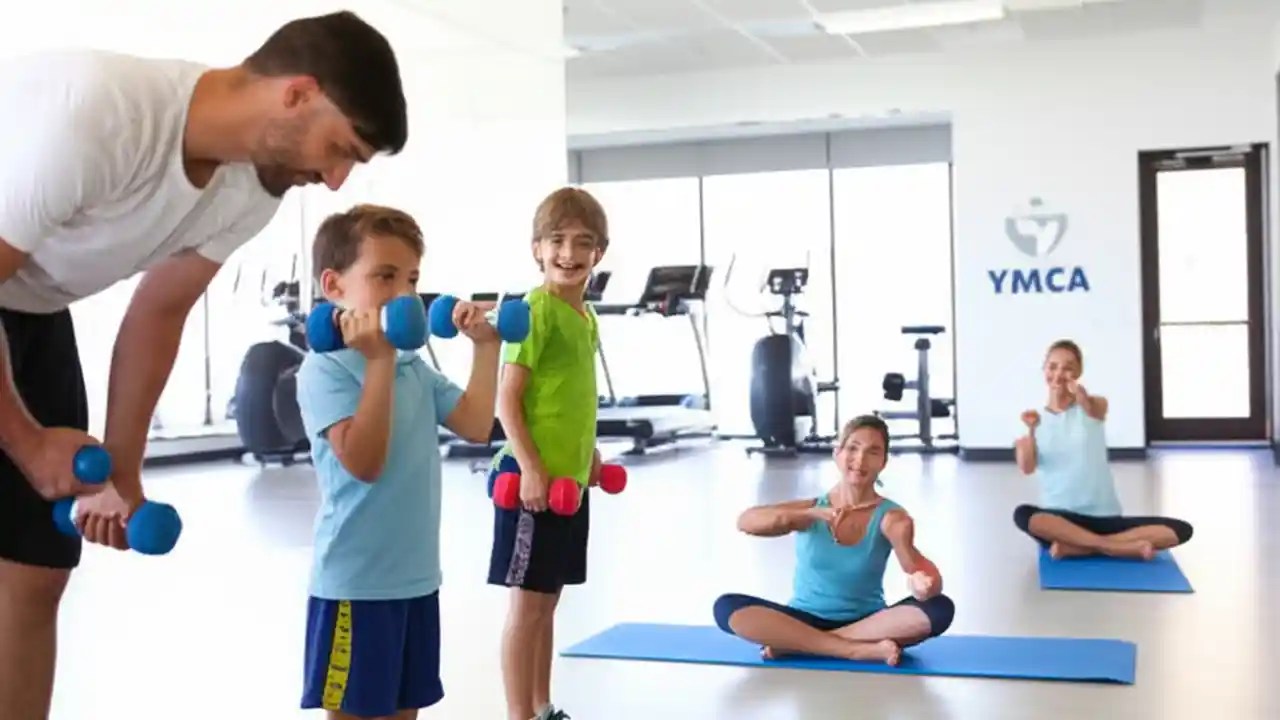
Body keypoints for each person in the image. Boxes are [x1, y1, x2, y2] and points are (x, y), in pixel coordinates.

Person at [0, 11, 407, 718]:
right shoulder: (101, 112)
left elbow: (159, 313)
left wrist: (122, 472)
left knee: (38, 573)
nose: (336, 180)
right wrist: (30, 444)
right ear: (297, 94)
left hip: (30, 306)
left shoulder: (252, 192)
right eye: (340, 149)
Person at [295, 204, 501, 720]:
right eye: (384, 277)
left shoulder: (413, 367)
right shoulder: (324, 371)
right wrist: (379, 360)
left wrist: (487, 347)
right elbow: (364, 462)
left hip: (415, 581)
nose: (404, 293)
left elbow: (477, 425)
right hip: (356, 586)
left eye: (411, 279)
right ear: (334, 286)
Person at [486, 187, 610, 720]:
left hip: (569, 483)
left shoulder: (585, 317)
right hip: (531, 483)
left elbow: (573, 399)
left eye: (583, 243)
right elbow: (507, 399)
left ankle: (542, 706)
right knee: (526, 605)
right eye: (557, 241)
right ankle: (519, 714)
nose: (569, 253)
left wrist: (591, 455)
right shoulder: (531, 311)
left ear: (598, 253)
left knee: (549, 600)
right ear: (537, 248)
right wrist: (532, 469)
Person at [713, 415, 955, 666]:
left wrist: (925, 585)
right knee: (726, 607)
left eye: (873, 452)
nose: (860, 460)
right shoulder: (810, 509)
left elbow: (920, 572)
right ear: (837, 454)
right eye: (852, 448)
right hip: (800, 619)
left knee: (940, 608)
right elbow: (746, 521)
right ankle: (852, 650)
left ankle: (800, 645)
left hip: (868, 623)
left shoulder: (892, 518)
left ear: (883, 461)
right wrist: (805, 515)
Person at [1014, 339, 1194, 560]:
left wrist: (1081, 397)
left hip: (1106, 517)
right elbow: (1027, 467)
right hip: (1060, 520)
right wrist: (1031, 433)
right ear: (1044, 370)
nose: (1059, 373)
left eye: (1068, 367)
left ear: (1078, 372)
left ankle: (1083, 547)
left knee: (1181, 529)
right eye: (1053, 366)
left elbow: (1092, 406)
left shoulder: (1094, 406)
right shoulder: (1033, 420)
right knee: (1023, 515)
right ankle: (1118, 547)